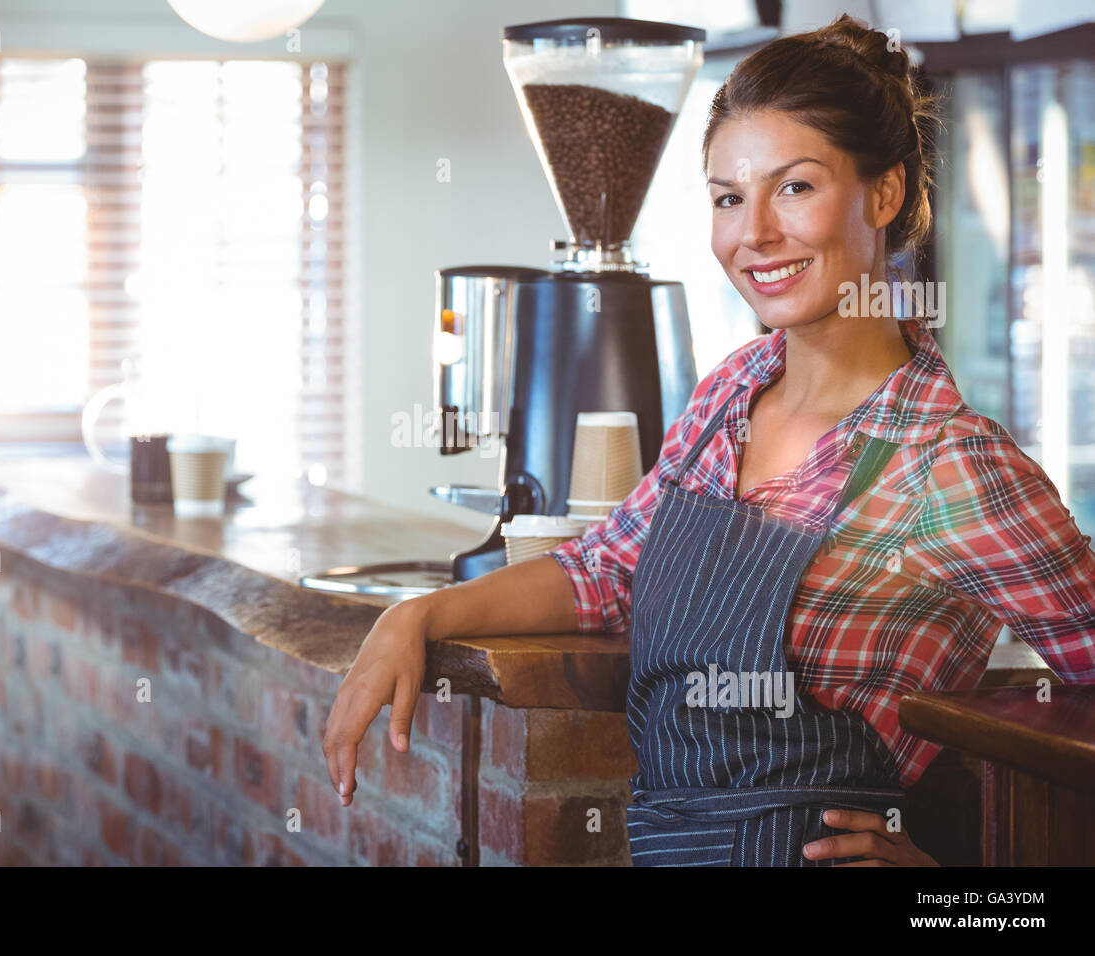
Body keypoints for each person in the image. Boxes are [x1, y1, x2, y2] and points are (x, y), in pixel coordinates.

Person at [321, 14, 1095, 866]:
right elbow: (607, 570)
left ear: (886, 193)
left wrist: (960, 894)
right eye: (728, 197)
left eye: (794, 188)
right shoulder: (729, 395)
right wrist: (418, 614)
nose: (753, 233)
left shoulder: (947, 459)